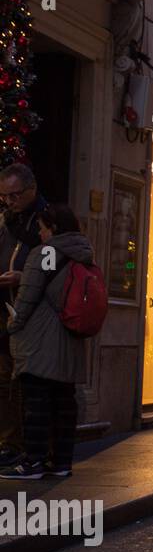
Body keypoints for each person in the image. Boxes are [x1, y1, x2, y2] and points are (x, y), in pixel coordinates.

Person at [0, 205, 92, 479]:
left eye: (42, 228)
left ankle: (33, 463)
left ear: (54, 228)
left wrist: (13, 324)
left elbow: (28, 296)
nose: (40, 234)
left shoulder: (48, 252)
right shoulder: (83, 252)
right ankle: (61, 462)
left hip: (42, 340)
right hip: (70, 340)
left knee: (36, 403)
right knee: (64, 403)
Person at [0, 163, 47, 466]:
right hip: (3, 311)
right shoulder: (4, 221)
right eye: (4, 196)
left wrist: (23, 278)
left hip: (33, 316)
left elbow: (52, 264)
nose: (10, 201)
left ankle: (31, 447)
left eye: (15, 195)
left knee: (29, 382)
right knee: (4, 378)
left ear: (32, 190)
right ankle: (9, 441)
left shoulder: (46, 221)